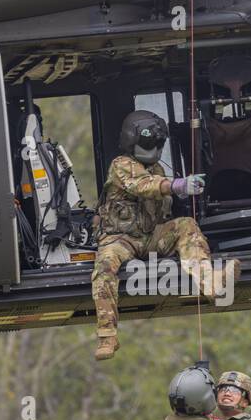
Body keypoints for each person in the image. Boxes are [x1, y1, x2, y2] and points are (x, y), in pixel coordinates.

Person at [91, 111, 240, 361]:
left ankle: (211, 283)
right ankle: (108, 336)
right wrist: (176, 185)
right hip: (120, 239)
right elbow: (143, 186)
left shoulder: (156, 168)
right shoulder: (121, 165)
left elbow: (158, 194)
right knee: (104, 266)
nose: (156, 148)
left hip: (151, 236)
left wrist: (179, 192)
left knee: (186, 225)